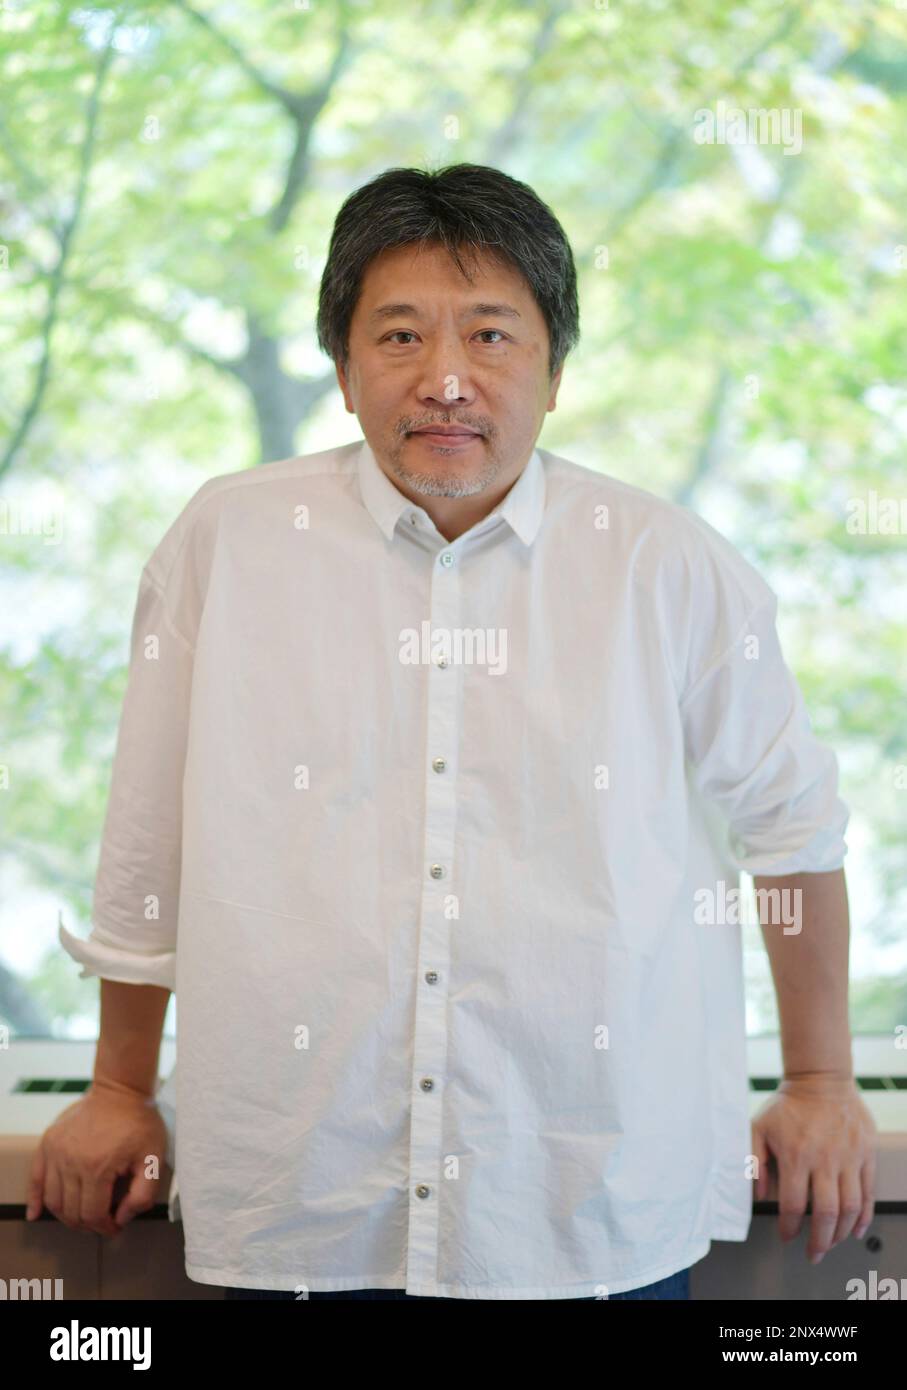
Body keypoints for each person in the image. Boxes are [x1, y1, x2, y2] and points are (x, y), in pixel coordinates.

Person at [29, 163, 876, 1301]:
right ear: (341, 368)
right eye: (397, 337)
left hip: (586, 1207)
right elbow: (150, 833)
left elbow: (791, 829)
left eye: (490, 335)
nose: (444, 381)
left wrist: (821, 1077)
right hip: (304, 1200)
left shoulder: (664, 563)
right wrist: (120, 1089)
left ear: (555, 368)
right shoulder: (230, 540)